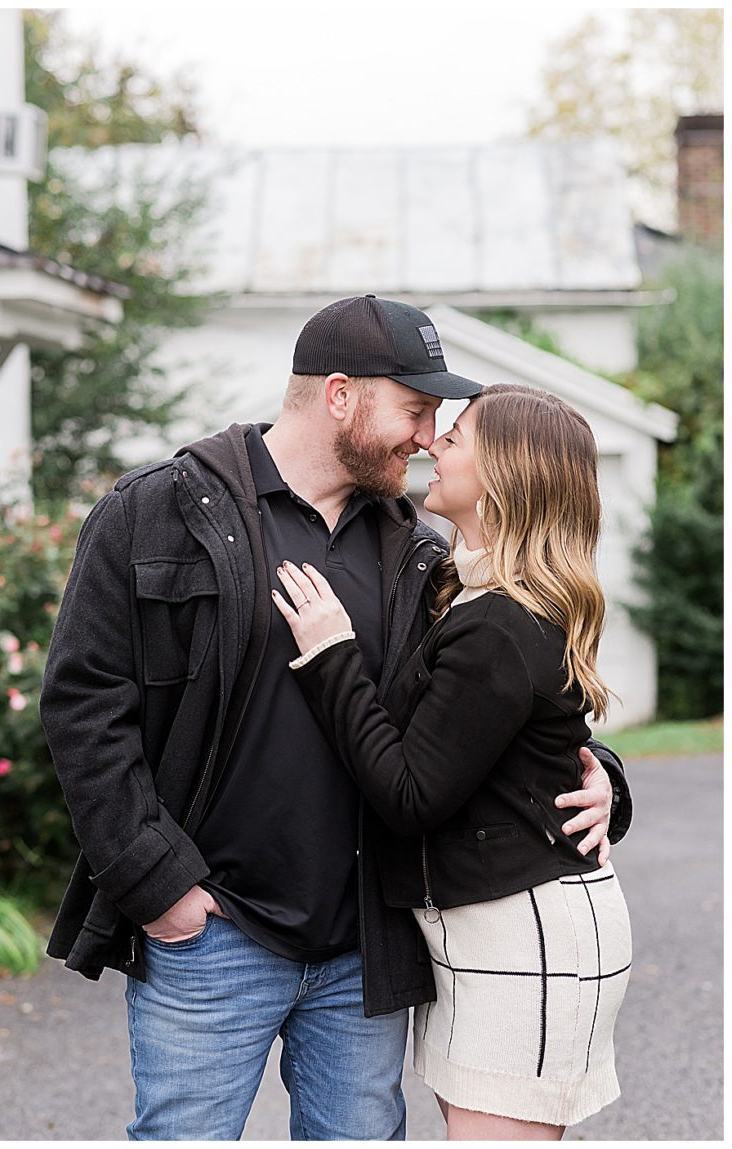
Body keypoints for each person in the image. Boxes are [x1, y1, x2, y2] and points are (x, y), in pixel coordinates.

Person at [38, 296, 631, 1140]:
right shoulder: (156, 511)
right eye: (416, 410)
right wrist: (157, 883)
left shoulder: (422, 549)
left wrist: (599, 773)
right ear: (341, 395)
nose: (428, 436)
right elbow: (83, 705)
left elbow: (492, 703)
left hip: (365, 948)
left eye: (437, 421)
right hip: (213, 935)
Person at [271, 383, 629, 1139]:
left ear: (502, 474)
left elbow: (410, 791)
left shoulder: (499, 619)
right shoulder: (469, 593)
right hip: (480, 930)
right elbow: (515, 744)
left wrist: (333, 656)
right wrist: (603, 771)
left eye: (456, 436)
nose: (434, 441)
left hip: (518, 935)